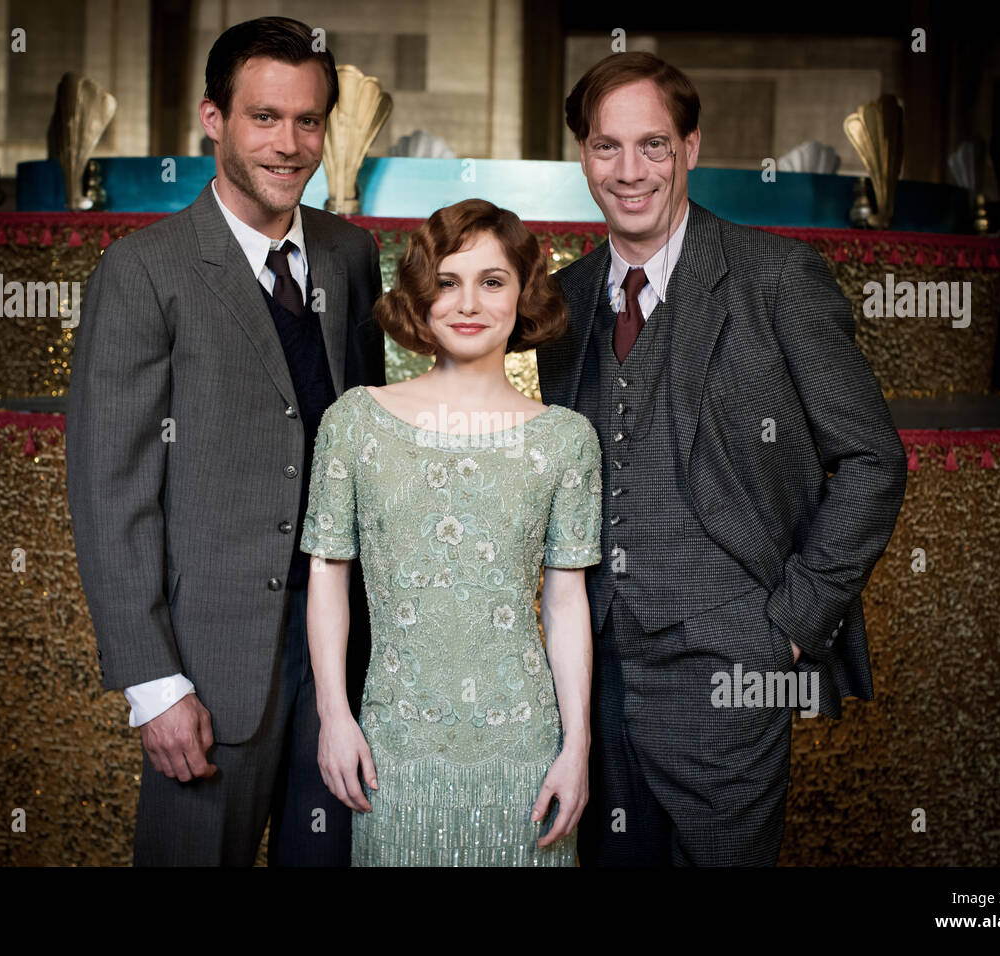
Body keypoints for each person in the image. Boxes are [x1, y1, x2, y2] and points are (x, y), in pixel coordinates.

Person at [535, 51, 907, 866]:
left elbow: (874, 460)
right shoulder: (562, 301)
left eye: (654, 145)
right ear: (583, 155)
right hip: (588, 682)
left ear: (693, 148)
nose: (629, 172)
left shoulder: (776, 278)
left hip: (733, 668)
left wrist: (789, 631)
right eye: (607, 147)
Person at [66, 17, 385, 866]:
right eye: (264, 118)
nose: (290, 144)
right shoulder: (143, 272)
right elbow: (110, 491)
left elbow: (367, 444)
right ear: (214, 120)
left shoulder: (352, 256)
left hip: (341, 655)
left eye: (308, 120)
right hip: (206, 664)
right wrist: (153, 684)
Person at [299, 199, 601, 865]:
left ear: (523, 296)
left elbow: (566, 600)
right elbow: (328, 575)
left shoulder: (565, 439)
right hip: (393, 746)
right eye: (447, 281)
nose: (469, 302)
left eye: (492, 282)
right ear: (418, 296)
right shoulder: (354, 422)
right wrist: (334, 717)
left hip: (525, 749)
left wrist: (576, 746)